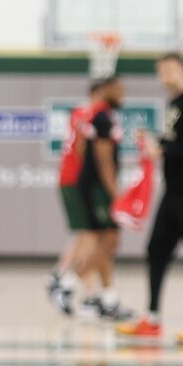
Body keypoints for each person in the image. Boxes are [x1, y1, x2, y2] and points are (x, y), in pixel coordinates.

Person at [118, 54, 183, 346]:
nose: (164, 75)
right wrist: (156, 141)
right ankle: (152, 318)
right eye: (160, 70)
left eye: (169, 69)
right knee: (156, 249)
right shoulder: (175, 104)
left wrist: (162, 151)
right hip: (173, 191)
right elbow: (179, 139)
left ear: (182, 69)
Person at [48, 80, 107, 316]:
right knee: (90, 236)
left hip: (73, 179)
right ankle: (63, 281)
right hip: (76, 180)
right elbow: (83, 147)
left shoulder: (80, 112)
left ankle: (85, 289)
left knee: (86, 235)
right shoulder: (89, 114)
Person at [73, 76, 125, 320]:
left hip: (93, 186)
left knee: (107, 241)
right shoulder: (102, 117)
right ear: (105, 90)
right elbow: (104, 162)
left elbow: (80, 149)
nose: (123, 94)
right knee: (110, 241)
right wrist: (115, 195)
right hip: (98, 189)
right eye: (119, 89)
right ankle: (69, 284)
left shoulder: (96, 116)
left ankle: (107, 297)